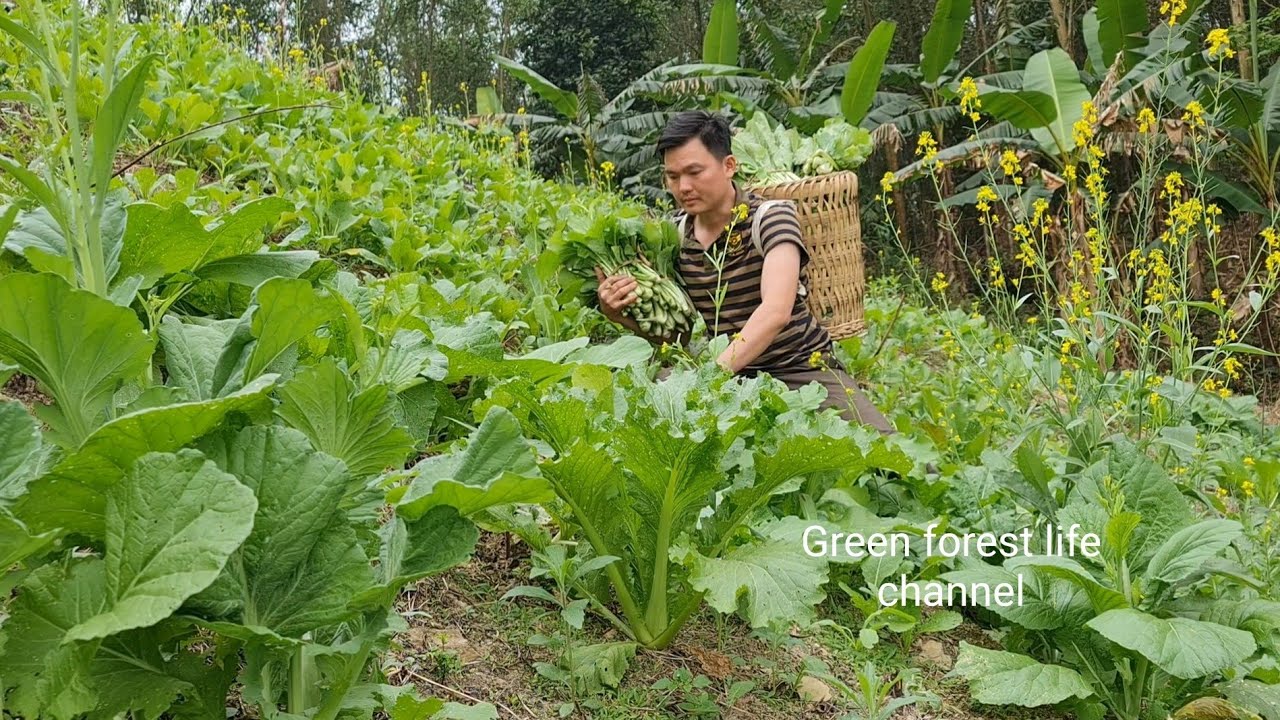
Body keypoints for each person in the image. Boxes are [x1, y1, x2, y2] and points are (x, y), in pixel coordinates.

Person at [595, 110, 896, 436]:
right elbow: (676, 338)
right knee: (634, 416)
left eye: (695, 172)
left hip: (798, 369)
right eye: (672, 176)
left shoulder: (771, 217)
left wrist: (710, 378)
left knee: (888, 452)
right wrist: (621, 314)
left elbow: (776, 311)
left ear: (729, 166)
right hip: (727, 371)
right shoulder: (674, 235)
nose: (683, 187)